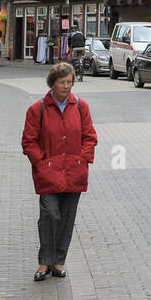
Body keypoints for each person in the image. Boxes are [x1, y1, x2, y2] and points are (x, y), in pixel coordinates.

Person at [21, 62, 97, 281]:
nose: (67, 86)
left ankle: (58, 261)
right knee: (49, 214)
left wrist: (82, 159)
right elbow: (29, 141)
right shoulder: (38, 109)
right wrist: (41, 163)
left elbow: (90, 136)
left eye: (70, 82)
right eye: (62, 82)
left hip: (74, 172)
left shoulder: (81, 107)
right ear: (52, 84)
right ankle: (45, 261)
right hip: (49, 173)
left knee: (66, 218)